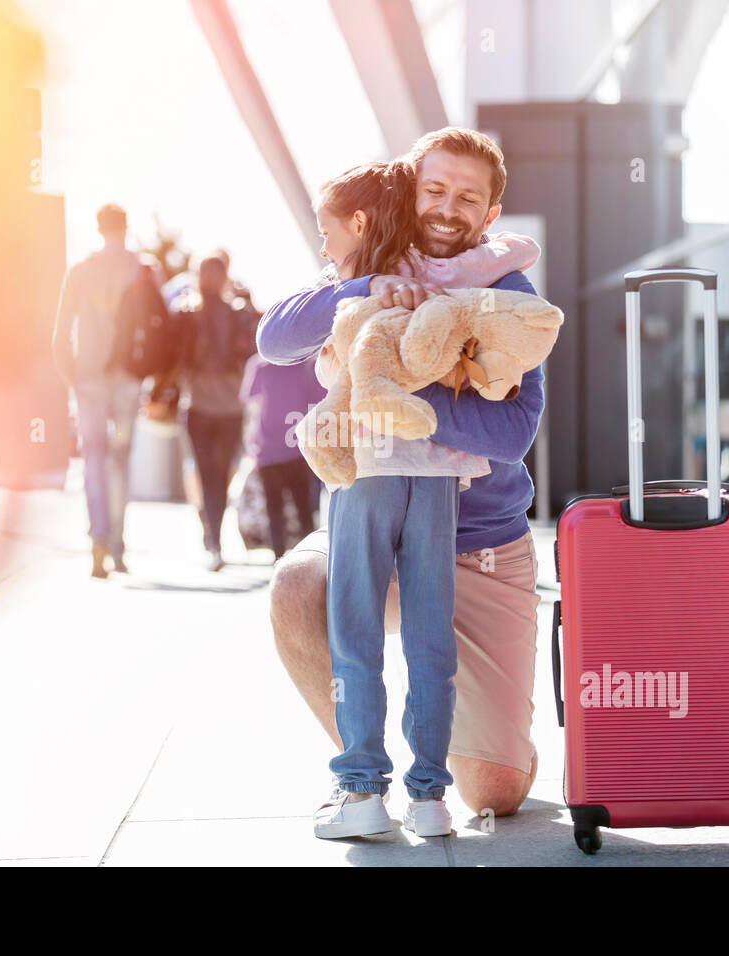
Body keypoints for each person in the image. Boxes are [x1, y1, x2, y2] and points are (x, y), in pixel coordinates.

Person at [258, 126, 548, 828]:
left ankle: (455, 759)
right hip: (379, 512)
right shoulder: (373, 264)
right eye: (436, 190)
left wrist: (389, 393)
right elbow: (275, 339)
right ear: (409, 194)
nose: (448, 209)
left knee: (496, 792)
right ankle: (362, 779)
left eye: (467, 198)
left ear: (489, 216)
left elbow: (512, 433)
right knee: (300, 586)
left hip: (482, 543)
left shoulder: (504, 289)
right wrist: (363, 289)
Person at [52, 203, 144, 578]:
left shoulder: (80, 272)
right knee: (120, 461)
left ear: (98, 227)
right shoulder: (139, 270)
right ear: (126, 226)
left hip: (89, 379)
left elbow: (60, 335)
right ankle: (119, 546)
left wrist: (73, 377)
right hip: (127, 380)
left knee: (93, 459)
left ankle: (99, 539)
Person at [175, 255, 259, 571]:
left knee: (205, 471)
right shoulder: (239, 313)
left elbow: (178, 359)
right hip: (229, 404)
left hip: (196, 402)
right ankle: (215, 536)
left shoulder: (187, 312)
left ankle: (210, 532)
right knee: (221, 473)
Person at [239, 353, 326, 561]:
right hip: (298, 447)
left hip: (267, 448)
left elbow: (247, 399)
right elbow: (319, 399)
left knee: (274, 507)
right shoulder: (307, 366)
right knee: (304, 505)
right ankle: (310, 557)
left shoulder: (259, 364)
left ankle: (278, 558)